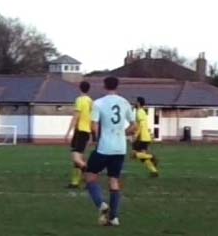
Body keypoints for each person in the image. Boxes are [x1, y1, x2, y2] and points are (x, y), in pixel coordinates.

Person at [85, 76, 136, 226]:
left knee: (89, 177)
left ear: (104, 86)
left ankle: (102, 204)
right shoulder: (125, 102)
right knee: (114, 180)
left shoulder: (98, 103)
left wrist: (95, 139)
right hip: (120, 148)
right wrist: (122, 133)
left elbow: (94, 125)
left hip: (104, 147)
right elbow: (134, 126)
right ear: (117, 86)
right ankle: (114, 218)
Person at [64, 81, 93, 188]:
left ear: (80, 88)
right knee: (79, 157)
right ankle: (75, 182)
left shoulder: (80, 100)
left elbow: (76, 117)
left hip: (80, 131)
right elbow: (91, 119)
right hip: (86, 131)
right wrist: (91, 134)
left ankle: (90, 176)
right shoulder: (91, 101)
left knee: (76, 157)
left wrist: (68, 132)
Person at [132, 97, 160, 178]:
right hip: (145, 136)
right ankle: (154, 172)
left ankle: (151, 156)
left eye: (136, 102)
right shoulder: (143, 111)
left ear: (138, 103)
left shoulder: (140, 112)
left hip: (142, 137)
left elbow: (141, 125)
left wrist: (136, 135)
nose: (135, 103)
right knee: (142, 157)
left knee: (134, 154)